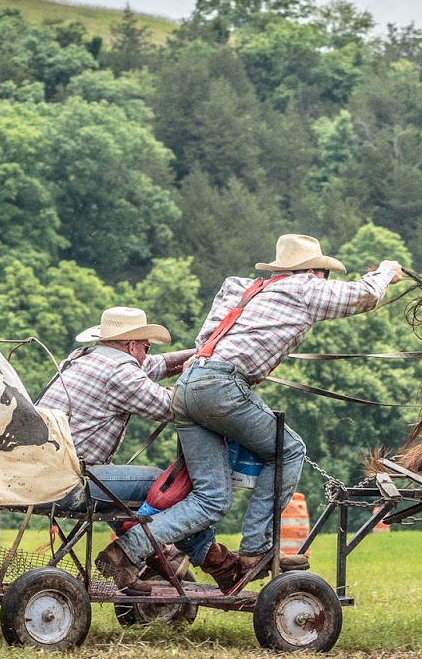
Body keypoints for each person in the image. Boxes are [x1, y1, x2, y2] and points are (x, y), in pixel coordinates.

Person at [104, 234, 402, 590]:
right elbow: (363, 296)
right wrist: (385, 273)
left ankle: (128, 550)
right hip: (221, 386)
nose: (323, 279)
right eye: (322, 272)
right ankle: (256, 549)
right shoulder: (303, 286)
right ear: (310, 270)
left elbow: (204, 343)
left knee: (211, 498)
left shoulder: (242, 290)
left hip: (189, 386)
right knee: (289, 449)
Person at [35, 306, 195, 590]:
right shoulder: (120, 372)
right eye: (145, 347)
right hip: (69, 482)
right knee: (163, 483)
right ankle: (146, 554)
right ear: (132, 346)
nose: (146, 353)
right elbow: (172, 407)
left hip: (40, 473)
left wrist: (202, 355)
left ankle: (152, 558)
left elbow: (155, 365)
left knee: (118, 486)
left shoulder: (83, 358)